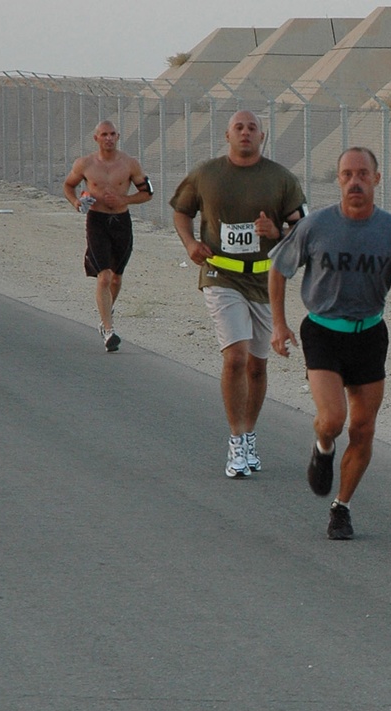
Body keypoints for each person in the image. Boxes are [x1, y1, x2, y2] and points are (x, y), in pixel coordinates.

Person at [269, 147, 391, 540]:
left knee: (364, 428)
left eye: (362, 174)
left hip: (370, 333)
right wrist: (279, 324)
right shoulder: (317, 225)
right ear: (337, 180)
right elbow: (279, 268)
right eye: (346, 174)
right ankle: (322, 446)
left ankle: (341, 507)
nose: (355, 181)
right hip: (322, 330)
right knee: (334, 419)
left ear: (376, 178)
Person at [169, 110, 307, 479]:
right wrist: (190, 244)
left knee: (257, 365)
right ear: (227, 135)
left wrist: (276, 232)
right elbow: (181, 212)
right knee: (235, 357)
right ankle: (235, 440)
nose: (245, 133)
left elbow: (303, 228)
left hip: (264, 282)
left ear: (262, 136)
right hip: (220, 275)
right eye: (238, 128)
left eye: (252, 128)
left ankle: (249, 434)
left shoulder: (280, 178)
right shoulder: (206, 175)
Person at [63, 120, 153, 352]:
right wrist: (76, 202)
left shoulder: (130, 164)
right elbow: (68, 186)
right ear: (96, 138)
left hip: (121, 222)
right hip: (97, 221)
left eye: (113, 134)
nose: (109, 138)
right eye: (104, 134)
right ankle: (108, 329)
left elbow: (147, 193)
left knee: (116, 278)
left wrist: (125, 199)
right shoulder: (85, 164)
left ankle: (107, 311)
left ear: (118, 136)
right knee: (103, 277)